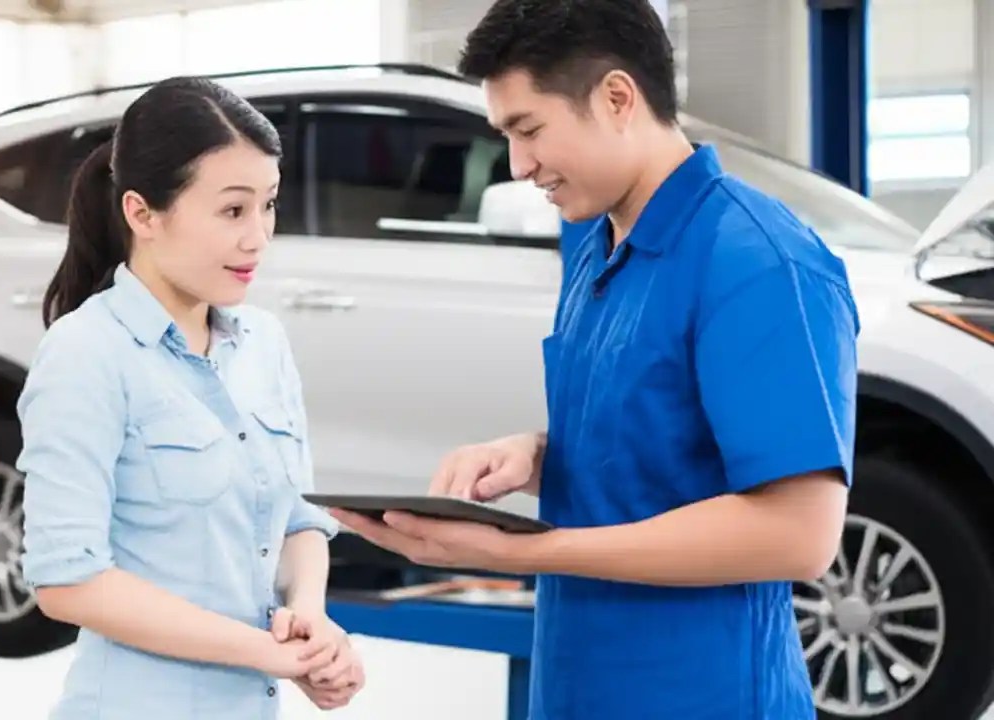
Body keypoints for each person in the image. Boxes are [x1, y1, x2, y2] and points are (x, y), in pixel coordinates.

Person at [330, 1, 858, 718]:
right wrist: (537, 454)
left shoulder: (759, 262)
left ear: (616, 98)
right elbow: (664, 443)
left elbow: (799, 535)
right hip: (580, 685)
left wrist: (520, 555)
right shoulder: (594, 243)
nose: (518, 166)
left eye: (529, 129)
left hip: (705, 697)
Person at [16, 76, 364, 719]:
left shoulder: (263, 341)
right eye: (233, 210)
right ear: (142, 213)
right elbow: (67, 581)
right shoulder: (86, 353)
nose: (258, 236)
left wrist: (309, 624)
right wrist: (265, 652)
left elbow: (295, 518)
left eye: (269, 205)